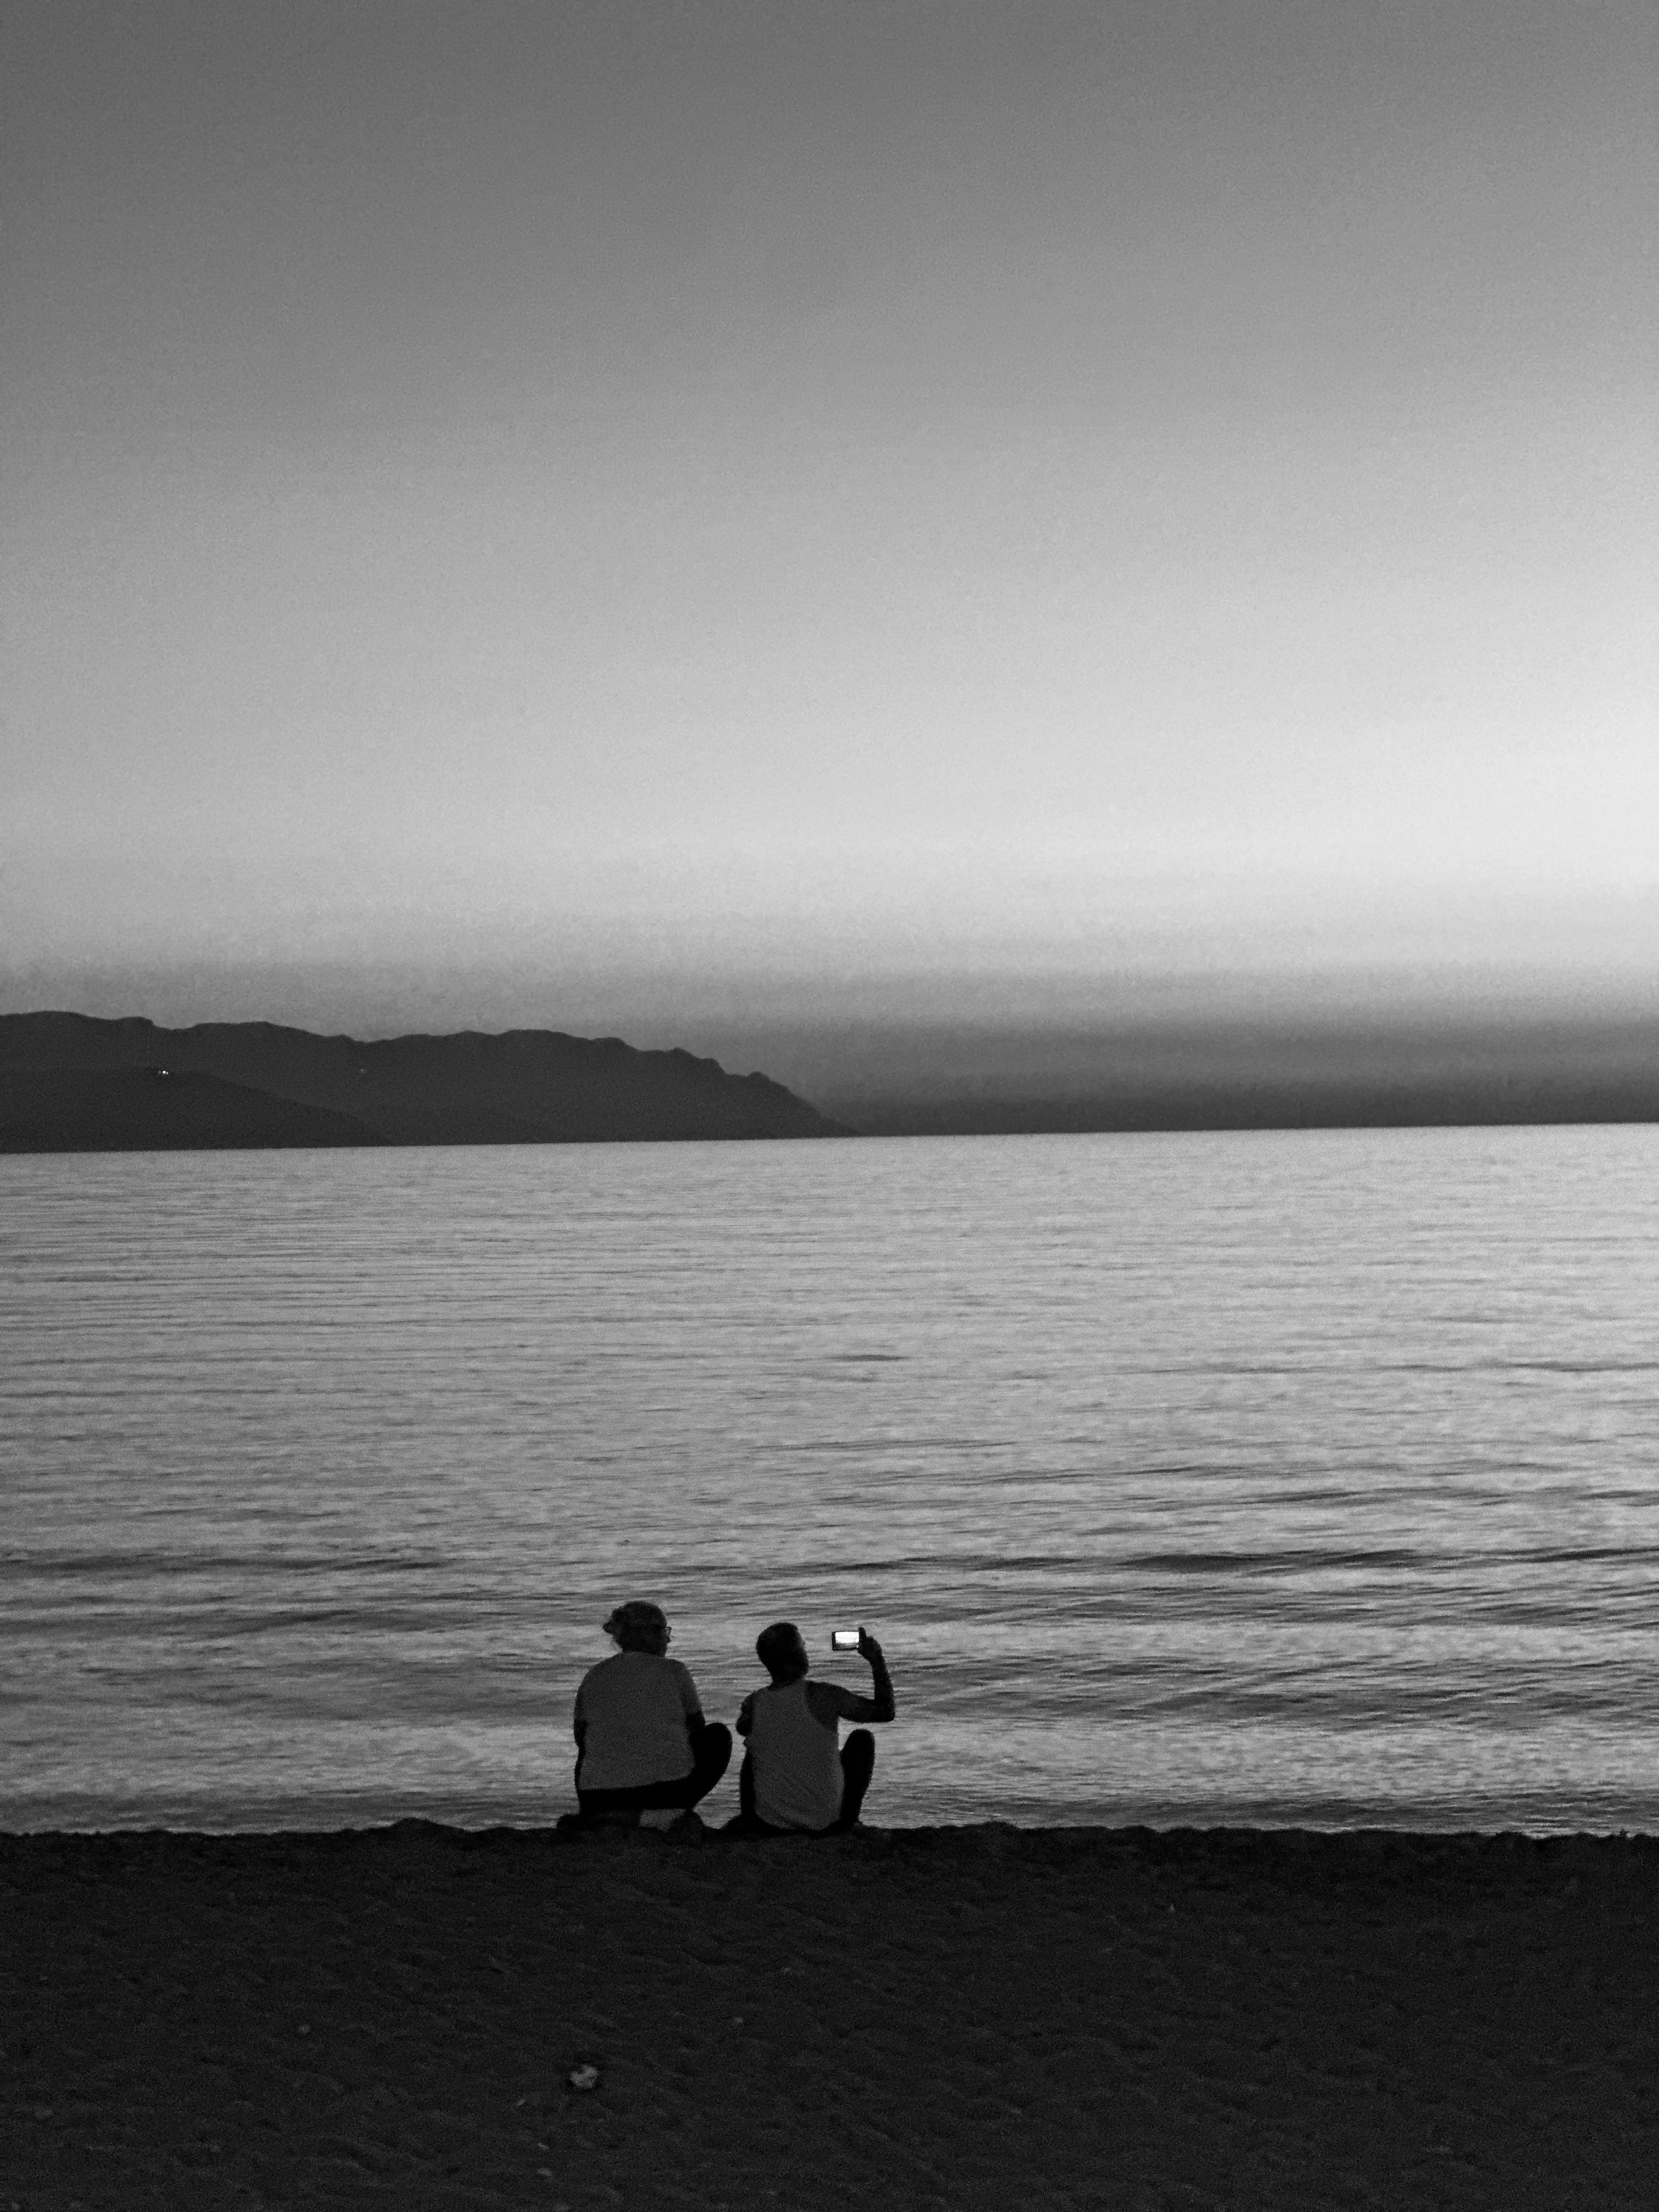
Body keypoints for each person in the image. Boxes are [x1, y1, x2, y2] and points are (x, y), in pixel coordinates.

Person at [568, 1600, 731, 1827]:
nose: (669, 1640)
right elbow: (696, 1728)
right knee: (718, 1736)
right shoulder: (675, 1671)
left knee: (590, 1744)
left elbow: (581, 1738)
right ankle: (662, 1816)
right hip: (662, 1794)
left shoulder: (594, 1675)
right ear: (650, 1634)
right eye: (665, 1631)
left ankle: (601, 1814)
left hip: (597, 1796)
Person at [734, 1623, 895, 1835]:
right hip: (825, 1822)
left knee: (754, 1748)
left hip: (771, 1822)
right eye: (802, 1645)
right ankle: (847, 1823)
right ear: (798, 1655)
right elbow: (885, 1712)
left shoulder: (754, 1703)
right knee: (862, 1740)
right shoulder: (825, 1695)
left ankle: (749, 1819)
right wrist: (876, 1660)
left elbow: (743, 1729)